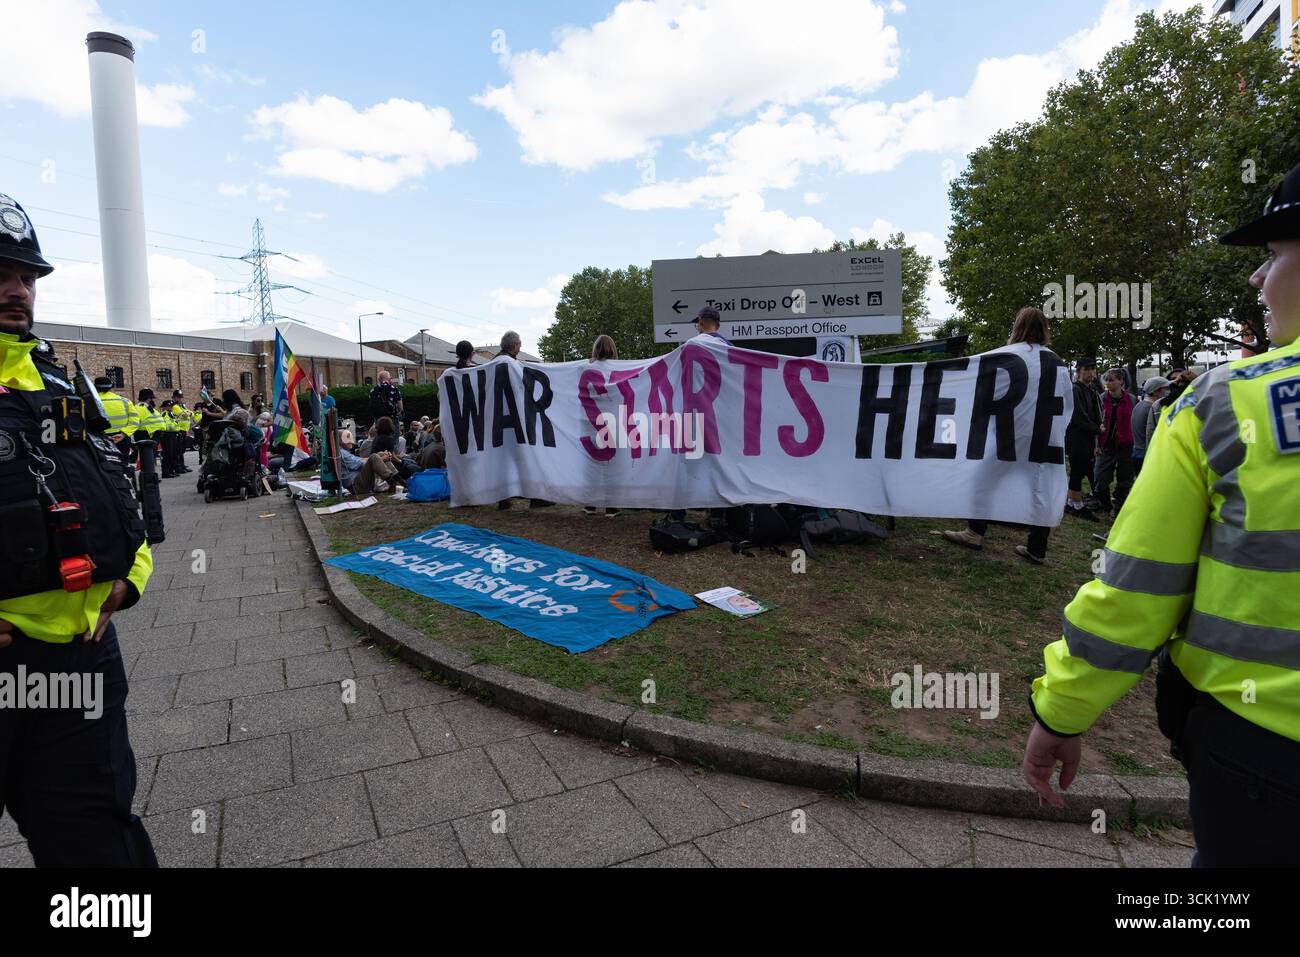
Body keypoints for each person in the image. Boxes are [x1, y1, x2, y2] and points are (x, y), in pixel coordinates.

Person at [1022, 160, 1300, 867]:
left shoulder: (1227, 402)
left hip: (1263, 760)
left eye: (1271, 255)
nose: (1256, 280)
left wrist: (1062, 707)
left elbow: (1136, 588)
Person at [0, 194, 157, 866]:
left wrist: (130, 576)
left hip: (76, 664)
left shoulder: (61, 381)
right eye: (0, 272)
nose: (17, 289)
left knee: (97, 850)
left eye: (27, 276)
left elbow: (121, 488)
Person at [941, 307, 1057, 564]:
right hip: (1044, 438)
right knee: (1039, 489)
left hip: (1010, 435)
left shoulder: (1007, 356)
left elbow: (982, 390)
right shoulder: (1056, 361)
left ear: (1018, 327)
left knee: (984, 480)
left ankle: (975, 532)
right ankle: (1037, 548)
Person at [496, 331, 552, 510]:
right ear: (514, 346)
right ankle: (535, 497)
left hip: (499, 420)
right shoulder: (511, 364)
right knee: (528, 456)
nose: (520, 347)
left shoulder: (493, 362)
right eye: (519, 344)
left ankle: (503, 499)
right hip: (515, 419)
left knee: (503, 460)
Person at [584, 335, 622, 518]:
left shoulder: (585, 367)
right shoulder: (619, 369)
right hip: (612, 422)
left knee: (591, 464)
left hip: (589, 422)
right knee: (612, 465)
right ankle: (611, 507)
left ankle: (590, 505)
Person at [1091, 368, 1138, 515]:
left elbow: (1135, 422)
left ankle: (1119, 507)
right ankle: (1104, 504)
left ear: (1121, 381)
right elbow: (1095, 422)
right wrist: (1096, 444)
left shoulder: (1132, 400)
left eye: (1112, 380)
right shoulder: (1101, 399)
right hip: (1106, 445)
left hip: (1126, 445)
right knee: (1100, 476)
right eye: (1107, 380)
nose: (1108, 383)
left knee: (1125, 479)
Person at [1063, 358, 1101, 521]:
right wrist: (1097, 429)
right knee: (1078, 469)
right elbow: (1078, 416)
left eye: (1093, 369)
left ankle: (1072, 503)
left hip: (1087, 435)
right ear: (1078, 371)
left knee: (1082, 468)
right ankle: (1077, 505)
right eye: (1087, 369)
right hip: (1077, 435)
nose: (1091, 373)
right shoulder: (1075, 389)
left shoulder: (1091, 390)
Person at [337, 428, 401, 494]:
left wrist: (381, 456)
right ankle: (392, 482)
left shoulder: (343, 452)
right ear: (340, 440)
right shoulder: (341, 453)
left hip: (359, 481)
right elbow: (361, 464)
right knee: (374, 457)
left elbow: (360, 460)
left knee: (381, 454)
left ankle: (398, 479)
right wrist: (382, 459)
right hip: (356, 486)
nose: (351, 442)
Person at [1131, 375, 1171, 476]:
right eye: (1166, 389)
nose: (1169, 392)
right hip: (1146, 454)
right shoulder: (1152, 409)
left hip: (1136, 452)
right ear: (1156, 391)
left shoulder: (1139, 405)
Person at [95, 374, 138, 449]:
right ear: (111, 387)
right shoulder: (125, 401)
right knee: (123, 460)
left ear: (95, 387)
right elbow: (135, 421)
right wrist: (124, 434)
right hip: (122, 439)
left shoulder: (91, 402)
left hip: (99, 439)